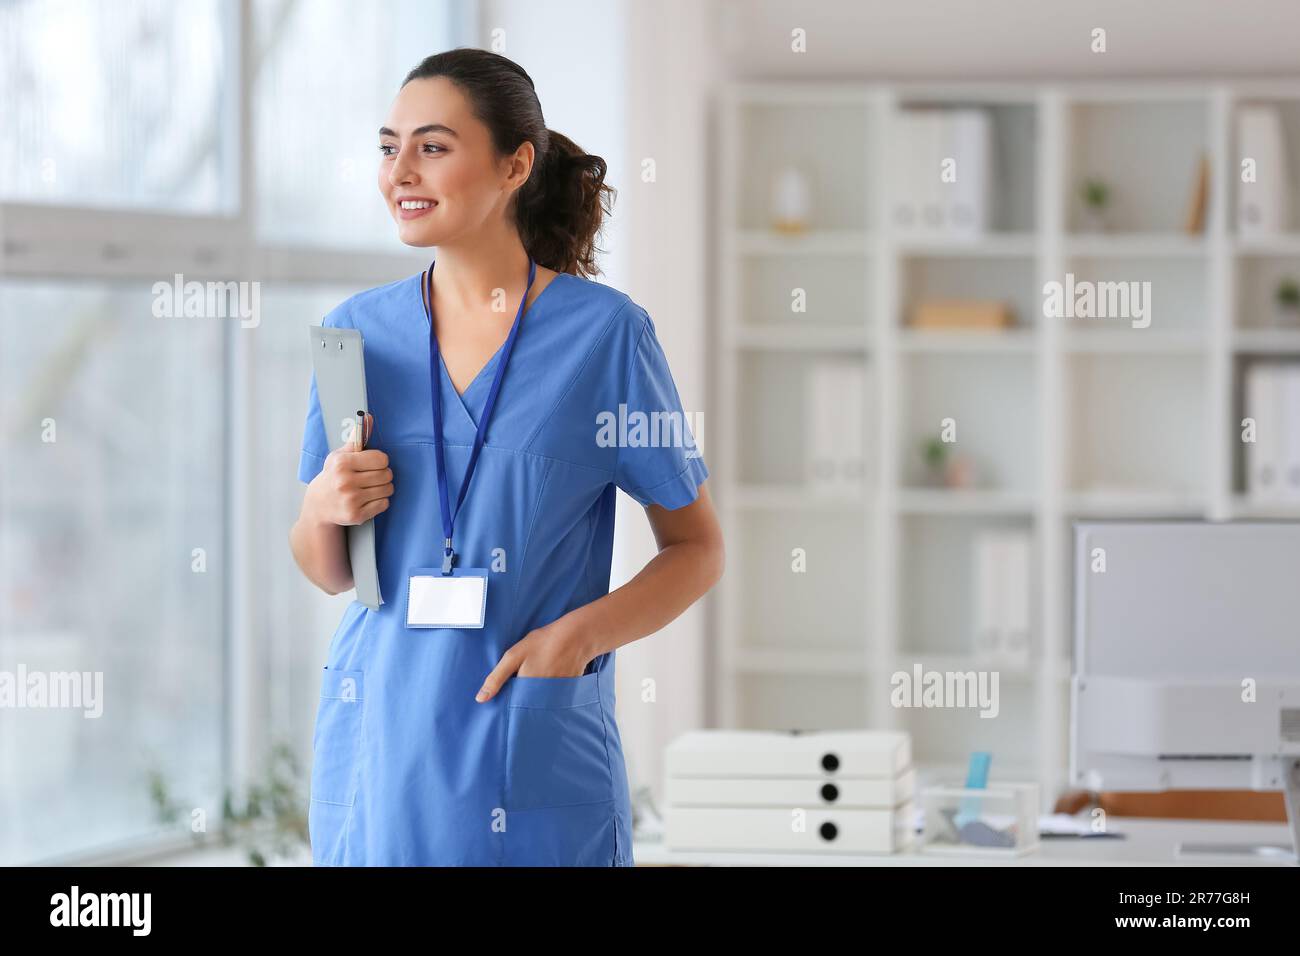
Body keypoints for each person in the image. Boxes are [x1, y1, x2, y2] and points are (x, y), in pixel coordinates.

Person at [288, 47, 724, 866]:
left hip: (530, 730)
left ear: (515, 165)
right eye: (389, 148)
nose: (400, 172)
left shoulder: (604, 336)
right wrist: (321, 508)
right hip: (383, 742)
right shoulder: (356, 333)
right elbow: (332, 572)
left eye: (432, 146)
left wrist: (576, 639)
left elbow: (697, 548)